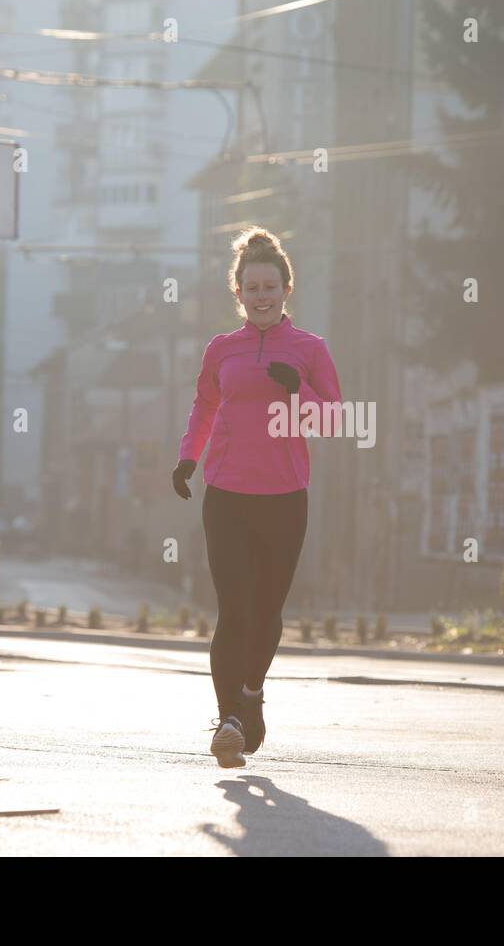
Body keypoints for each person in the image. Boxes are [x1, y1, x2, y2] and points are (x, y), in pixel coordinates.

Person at [172, 226, 342, 768]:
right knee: (234, 609)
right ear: (238, 293)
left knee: (268, 612)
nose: (261, 295)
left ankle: (250, 694)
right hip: (225, 493)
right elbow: (203, 407)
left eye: (271, 286)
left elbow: (336, 421)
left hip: (285, 496)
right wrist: (186, 459)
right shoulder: (223, 349)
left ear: (286, 289)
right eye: (252, 287)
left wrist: (300, 389)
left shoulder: (310, 349)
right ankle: (227, 721)